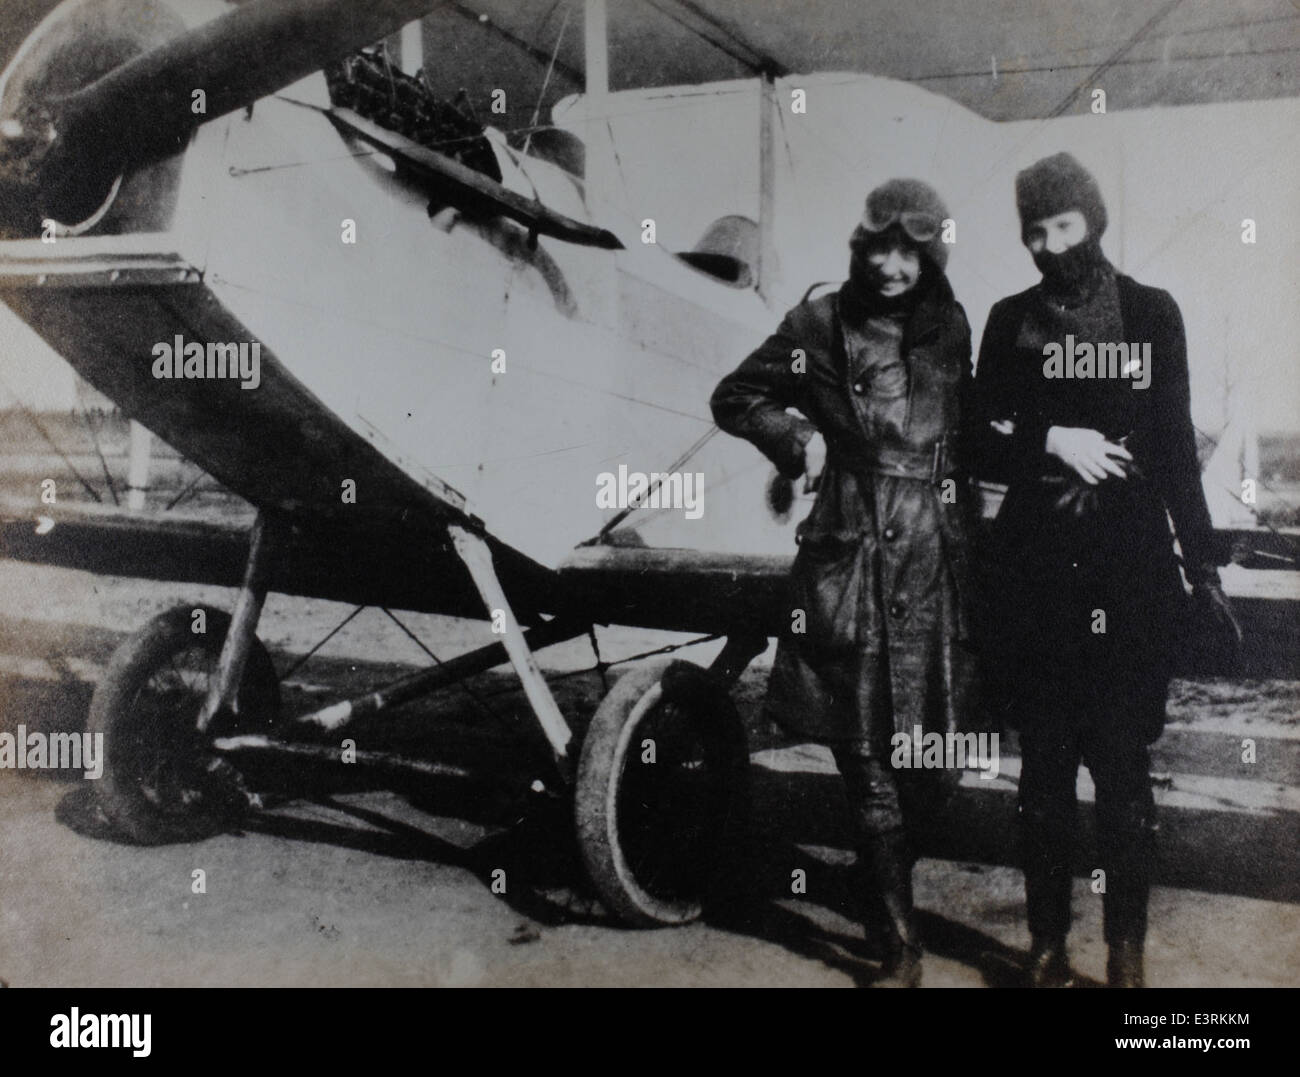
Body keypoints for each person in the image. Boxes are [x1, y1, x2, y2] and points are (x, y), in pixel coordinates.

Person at [967, 152, 1240, 988]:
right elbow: (975, 433)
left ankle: (1126, 955)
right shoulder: (1008, 317)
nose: (1049, 246)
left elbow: (1172, 448)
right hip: (1035, 571)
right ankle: (1046, 946)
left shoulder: (1152, 313)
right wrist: (1051, 440)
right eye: (1035, 232)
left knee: (1122, 771)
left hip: (1127, 574)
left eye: (1064, 226)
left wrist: (1204, 566)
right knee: (1044, 771)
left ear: (1094, 222)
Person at [711, 179, 978, 987]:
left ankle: (878, 877)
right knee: (866, 757)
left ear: (930, 254)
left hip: (938, 556)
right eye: (880, 249)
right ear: (860, 249)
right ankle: (900, 944)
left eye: (911, 251)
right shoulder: (817, 325)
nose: (894, 266)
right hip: (851, 551)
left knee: (937, 755)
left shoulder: (952, 324)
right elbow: (735, 396)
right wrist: (797, 441)